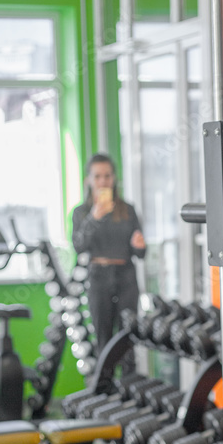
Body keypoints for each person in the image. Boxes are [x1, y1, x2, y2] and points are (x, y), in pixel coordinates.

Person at [71, 153, 146, 372]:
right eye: (98, 177)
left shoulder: (127, 209)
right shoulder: (81, 212)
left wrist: (140, 246)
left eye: (107, 176)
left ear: (113, 179)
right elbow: (79, 246)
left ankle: (130, 394)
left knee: (128, 337)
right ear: (89, 181)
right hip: (98, 277)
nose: (103, 181)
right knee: (103, 338)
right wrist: (93, 218)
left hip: (126, 276)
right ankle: (105, 394)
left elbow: (140, 254)